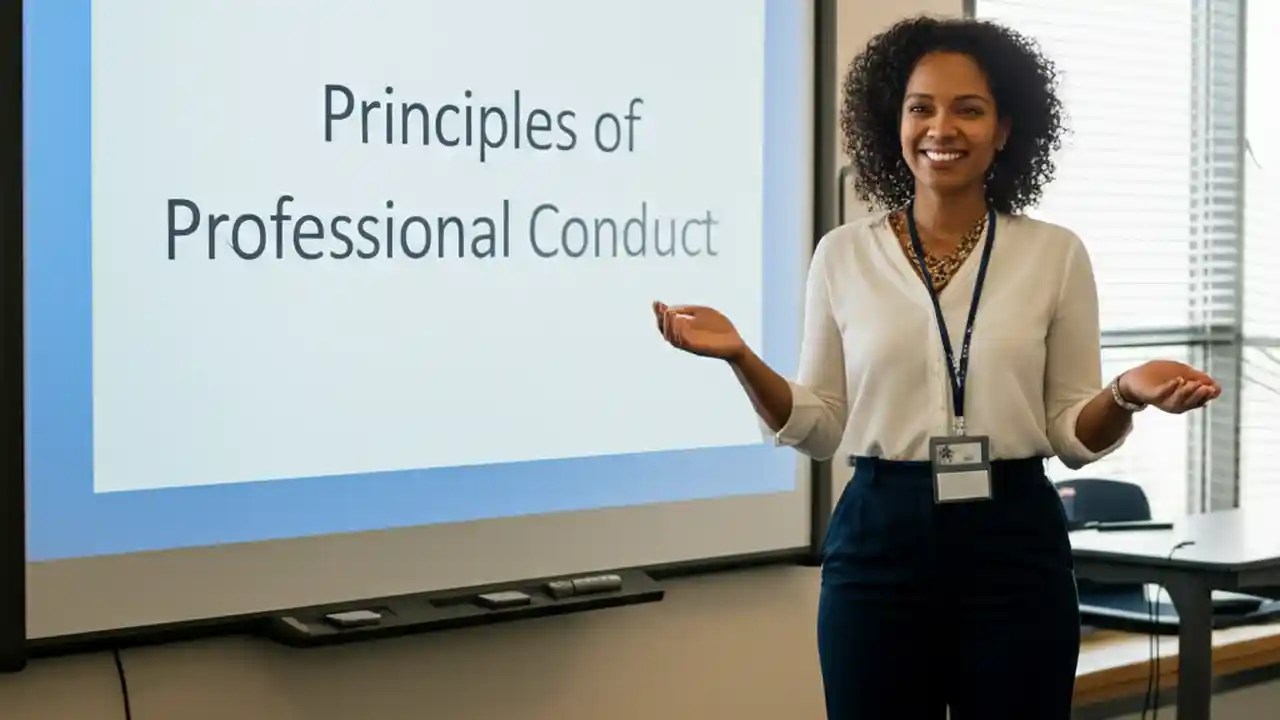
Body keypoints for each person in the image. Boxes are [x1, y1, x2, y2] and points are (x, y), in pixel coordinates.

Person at [651, 14, 1221, 720]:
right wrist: (741, 359)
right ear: (894, 122)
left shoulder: (1055, 254)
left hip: (1015, 543)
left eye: (968, 110)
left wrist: (1126, 394)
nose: (940, 128)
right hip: (878, 542)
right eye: (920, 108)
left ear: (1006, 129)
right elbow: (820, 427)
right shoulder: (842, 255)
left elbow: (1072, 436)